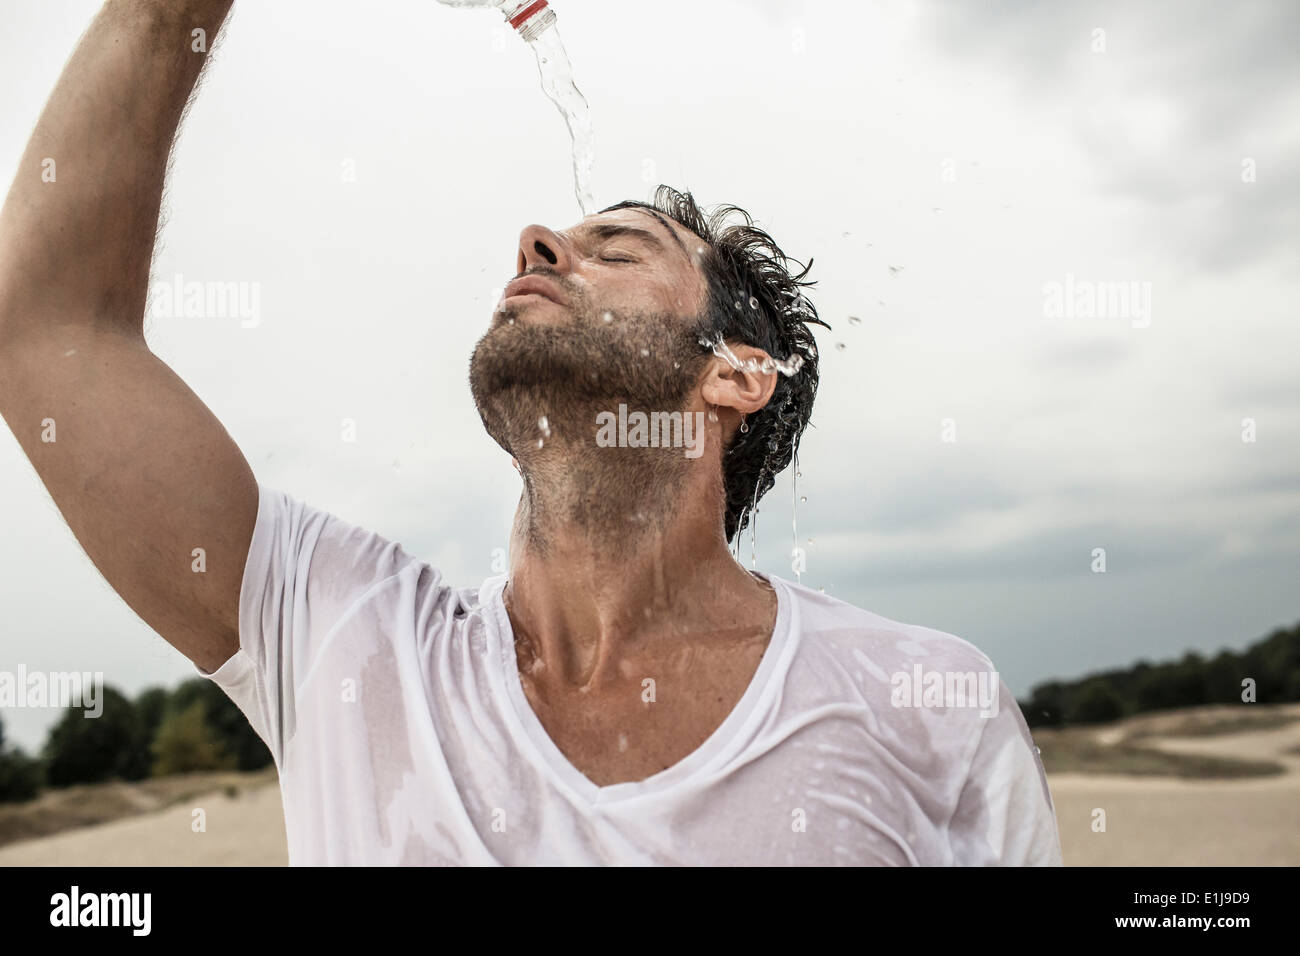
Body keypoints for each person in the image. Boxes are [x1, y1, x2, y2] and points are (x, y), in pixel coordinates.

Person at [0, 0, 1063, 865]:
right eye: (564, 234)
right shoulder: (343, 636)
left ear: (736, 372)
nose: (540, 240)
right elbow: (43, 330)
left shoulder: (928, 709)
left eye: (618, 249)